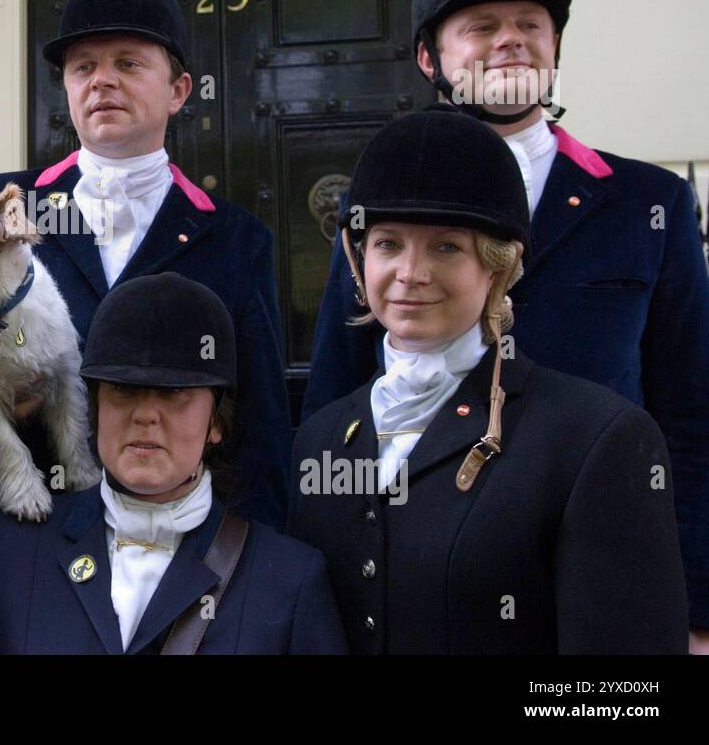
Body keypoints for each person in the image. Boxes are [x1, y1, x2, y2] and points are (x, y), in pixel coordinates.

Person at [302, 0, 709, 646]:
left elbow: (691, 409)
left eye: (531, 24)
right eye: (482, 26)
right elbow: (340, 394)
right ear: (430, 56)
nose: (512, 41)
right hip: (432, 572)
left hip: (605, 568)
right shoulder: (380, 203)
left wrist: (696, 606)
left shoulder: (650, 203)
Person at [0, 0, 292, 529]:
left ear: (179, 91)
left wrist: (258, 556)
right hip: (15, 536)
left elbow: (263, 419)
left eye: (128, 63)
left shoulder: (236, 238)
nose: (102, 80)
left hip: (178, 540)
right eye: (83, 67)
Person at [289, 109, 687, 654]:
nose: (410, 273)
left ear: (497, 268)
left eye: (447, 246)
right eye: (388, 244)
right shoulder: (321, 440)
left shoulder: (596, 440)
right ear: (359, 263)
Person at [0, 272, 345, 654]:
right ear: (95, 408)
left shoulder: (290, 582)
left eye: (173, 392)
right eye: (124, 390)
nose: (145, 416)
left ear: (217, 422)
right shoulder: (6, 553)